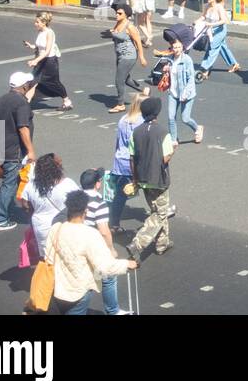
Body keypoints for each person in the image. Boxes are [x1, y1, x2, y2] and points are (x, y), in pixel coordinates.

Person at [47, 189, 137, 315]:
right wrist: (127, 264)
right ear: (85, 211)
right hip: (78, 291)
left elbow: (49, 258)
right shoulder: (90, 234)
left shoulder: (56, 228)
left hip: (56, 288)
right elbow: (105, 267)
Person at [126, 96, 175, 260]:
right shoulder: (162, 132)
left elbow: (132, 158)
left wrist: (135, 179)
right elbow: (165, 158)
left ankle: (162, 243)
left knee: (156, 209)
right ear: (156, 113)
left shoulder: (136, 132)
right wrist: (174, 149)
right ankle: (138, 243)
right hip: (159, 179)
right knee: (160, 214)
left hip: (142, 178)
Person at [0, 71, 37, 232]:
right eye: (28, 84)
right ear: (24, 86)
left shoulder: (0, 101)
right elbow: (23, 128)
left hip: (0, 148)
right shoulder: (21, 103)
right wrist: (30, 151)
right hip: (14, 151)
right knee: (9, 184)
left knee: (14, 181)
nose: (29, 85)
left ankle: (17, 208)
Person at [75, 173, 130, 315]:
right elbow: (104, 230)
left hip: (76, 241)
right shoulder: (99, 202)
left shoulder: (76, 198)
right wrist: (111, 250)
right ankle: (112, 310)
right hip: (93, 246)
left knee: (88, 275)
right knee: (108, 276)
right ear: (98, 184)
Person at [22, 152, 79, 257]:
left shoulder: (30, 186)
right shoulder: (68, 184)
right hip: (64, 226)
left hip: (41, 227)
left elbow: (25, 206)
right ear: (56, 168)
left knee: (47, 258)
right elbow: (79, 203)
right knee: (67, 256)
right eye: (59, 164)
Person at [108, 94, 143, 234]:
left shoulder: (123, 118)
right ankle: (159, 211)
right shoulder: (141, 121)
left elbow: (118, 142)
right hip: (133, 161)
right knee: (149, 188)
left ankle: (114, 223)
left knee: (120, 195)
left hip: (120, 160)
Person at [26, 12, 71, 110]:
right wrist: (31, 46)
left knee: (53, 83)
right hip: (41, 61)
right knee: (33, 81)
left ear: (44, 23)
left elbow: (47, 51)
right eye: (35, 21)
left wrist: (35, 60)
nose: (35, 24)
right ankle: (25, 105)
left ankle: (67, 101)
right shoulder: (40, 32)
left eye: (37, 22)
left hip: (49, 61)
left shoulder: (49, 33)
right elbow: (39, 47)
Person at [166, 37, 202, 144]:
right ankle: (174, 139)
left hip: (186, 93)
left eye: (179, 47)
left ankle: (197, 128)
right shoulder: (170, 59)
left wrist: (185, 93)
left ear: (182, 48)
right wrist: (166, 70)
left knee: (185, 118)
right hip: (173, 93)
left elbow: (191, 78)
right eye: (174, 47)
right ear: (172, 48)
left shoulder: (187, 60)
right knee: (171, 117)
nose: (176, 49)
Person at [200, 0, 239, 78]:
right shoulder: (207, 6)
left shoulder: (219, 7)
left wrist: (211, 24)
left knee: (212, 48)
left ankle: (205, 69)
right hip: (211, 30)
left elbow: (223, 20)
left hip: (219, 30)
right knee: (222, 47)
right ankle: (234, 64)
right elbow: (203, 16)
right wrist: (196, 22)